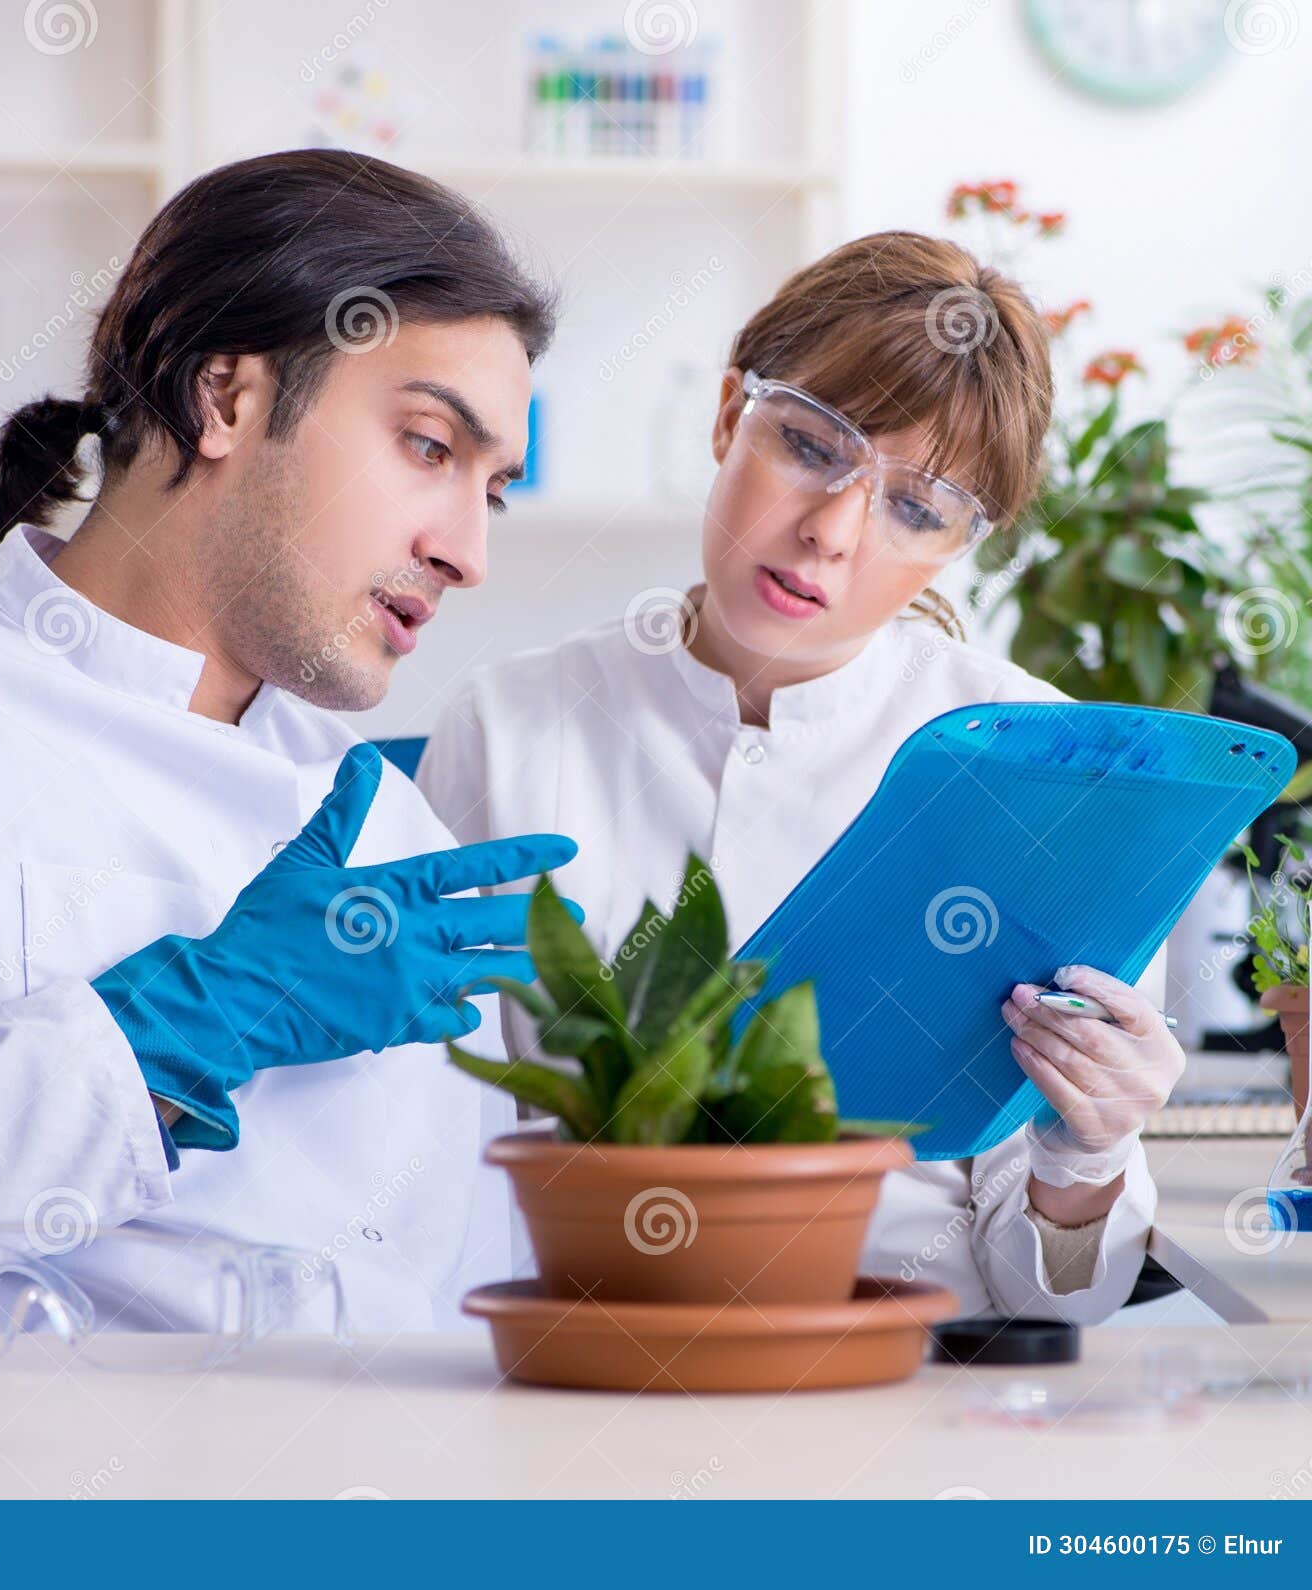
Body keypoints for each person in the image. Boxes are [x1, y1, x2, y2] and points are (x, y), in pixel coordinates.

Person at [0, 150, 580, 1335]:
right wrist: (172, 1030)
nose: (467, 552)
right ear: (223, 398)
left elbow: (478, 1301)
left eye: (497, 489)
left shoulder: (391, 832)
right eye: (429, 447)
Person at [417, 231, 1186, 1324]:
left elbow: (1058, 1300)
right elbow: (433, 1162)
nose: (831, 531)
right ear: (730, 414)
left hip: (907, 1390)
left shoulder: (1039, 766)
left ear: (958, 545)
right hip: (586, 1372)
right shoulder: (511, 723)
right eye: (812, 445)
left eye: (914, 510)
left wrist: (1086, 1149)